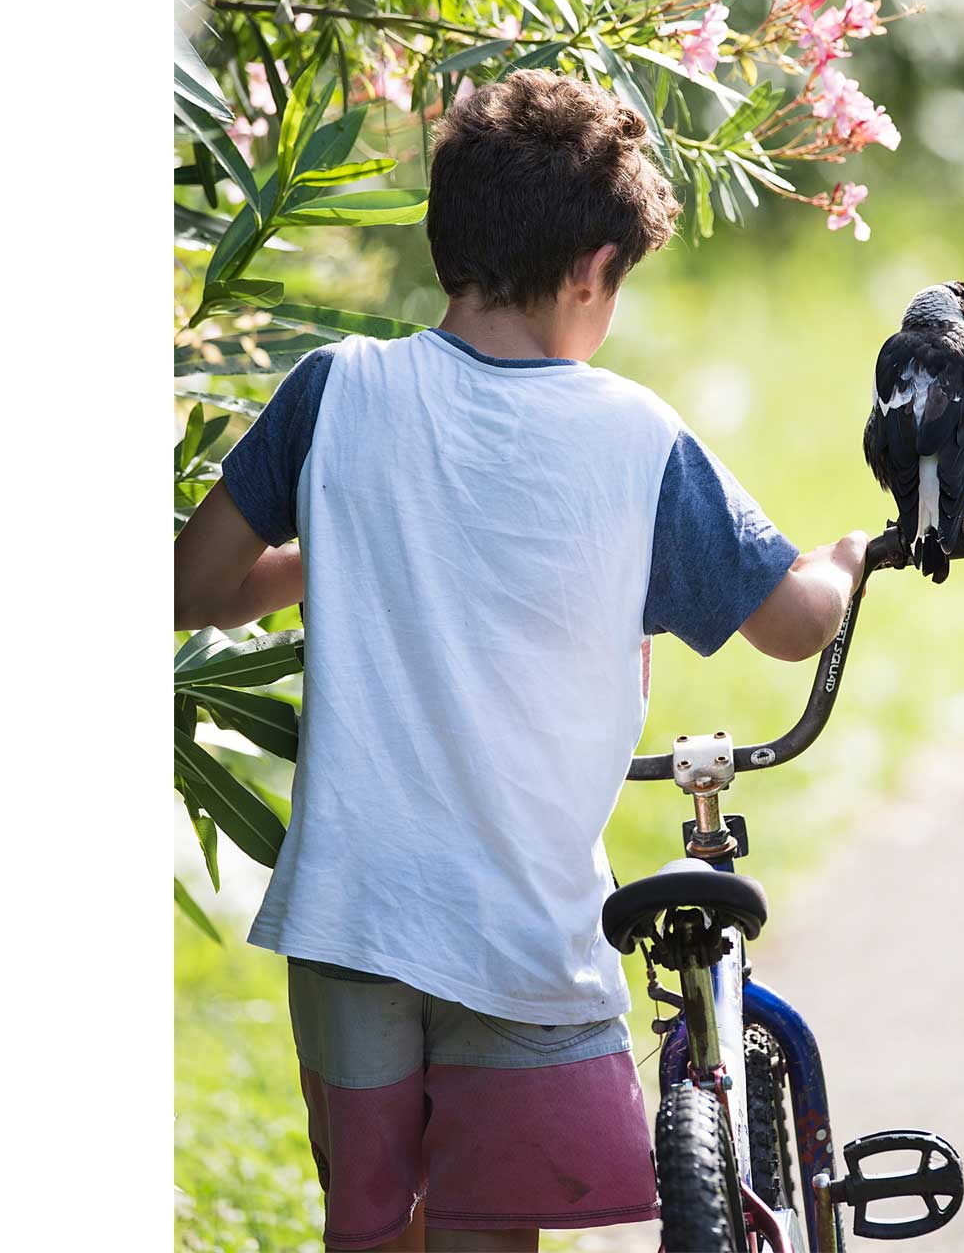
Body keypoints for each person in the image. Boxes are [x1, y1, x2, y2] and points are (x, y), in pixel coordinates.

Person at [174, 69, 870, 1252]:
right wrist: (850, 556)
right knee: (489, 1237)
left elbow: (194, 589)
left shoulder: (336, 390)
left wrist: (330, 553)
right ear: (597, 268)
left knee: (374, 1227)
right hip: (522, 929)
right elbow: (793, 620)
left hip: (353, 921)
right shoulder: (634, 436)